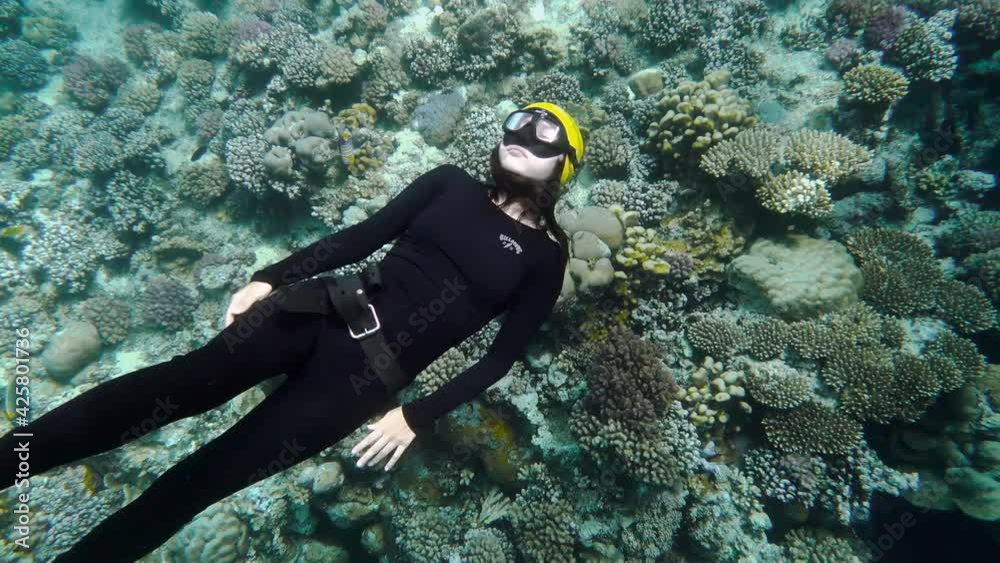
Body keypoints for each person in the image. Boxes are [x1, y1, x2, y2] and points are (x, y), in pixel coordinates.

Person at [0, 101, 584, 562]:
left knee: (203, 480)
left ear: (566, 165)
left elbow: (499, 360)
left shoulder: (544, 258)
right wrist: (270, 277)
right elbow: (361, 237)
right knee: (168, 388)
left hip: (360, 382)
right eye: (517, 123)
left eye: (544, 134)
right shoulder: (449, 183)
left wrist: (414, 415)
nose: (523, 134)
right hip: (318, 308)